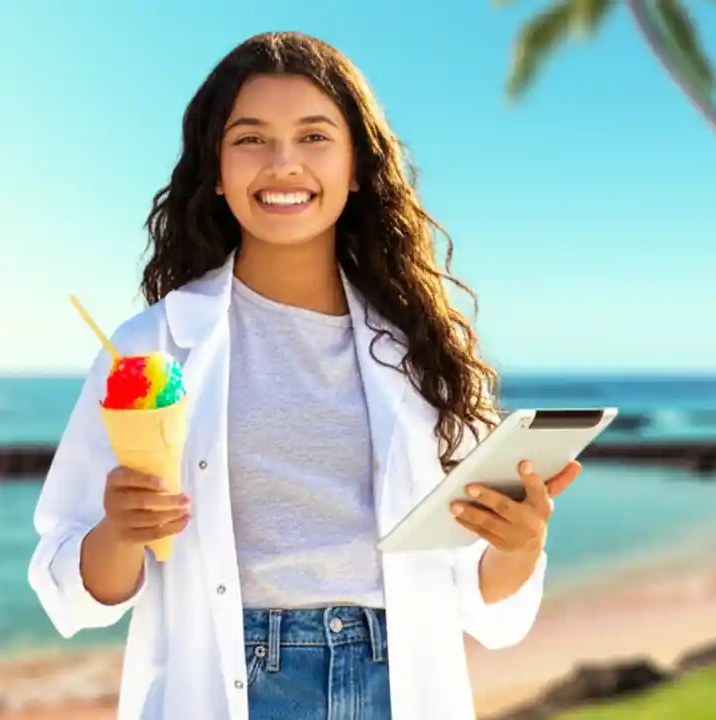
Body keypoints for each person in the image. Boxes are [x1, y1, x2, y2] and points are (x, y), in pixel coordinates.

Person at [28, 31, 582, 720]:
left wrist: (521, 544)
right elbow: (68, 591)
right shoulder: (151, 348)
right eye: (250, 139)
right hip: (233, 689)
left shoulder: (424, 354)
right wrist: (120, 531)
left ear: (357, 166)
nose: (283, 163)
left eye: (314, 136)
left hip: (399, 688)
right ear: (216, 169)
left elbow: (481, 602)